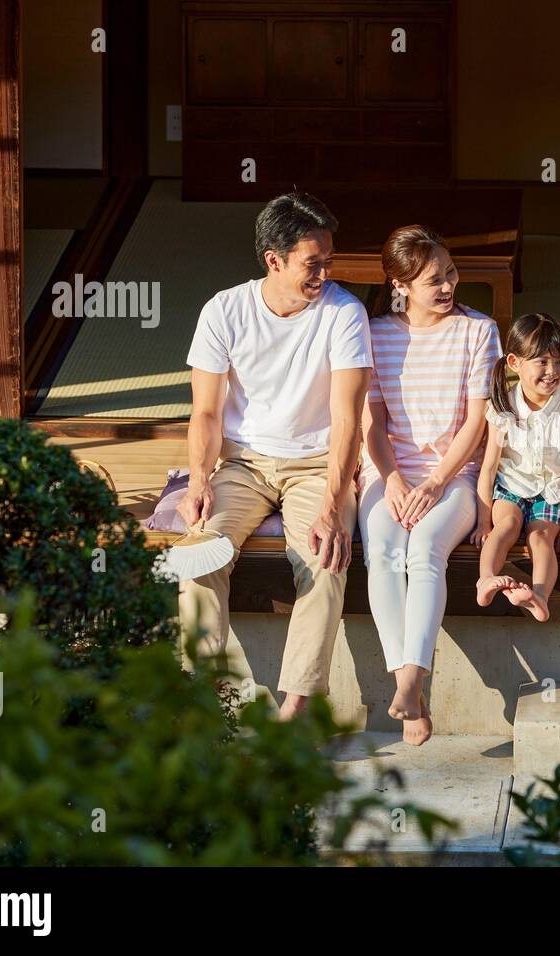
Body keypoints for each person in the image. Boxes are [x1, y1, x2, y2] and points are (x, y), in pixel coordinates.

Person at [178, 192, 371, 721]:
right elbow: (207, 414)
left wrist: (335, 499)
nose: (325, 272)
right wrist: (198, 478)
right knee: (201, 555)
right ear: (274, 260)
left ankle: (300, 706)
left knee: (325, 559)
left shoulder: (344, 313)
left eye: (329, 260)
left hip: (317, 464)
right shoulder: (224, 310)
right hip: (242, 463)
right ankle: (203, 699)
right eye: (314, 263)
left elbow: (349, 418)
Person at [359, 225, 500, 746]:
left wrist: (437, 482)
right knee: (383, 550)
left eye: (450, 274)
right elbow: (371, 422)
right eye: (431, 281)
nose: (447, 287)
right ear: (400, 285)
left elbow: (477, 422)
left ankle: (411, 679)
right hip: (388, 469)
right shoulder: (376, 333)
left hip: (455, 473)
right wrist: (393, 480)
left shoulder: (478, 331)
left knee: (424, 550)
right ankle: (410, 687)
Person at [472, 313, 560, 622]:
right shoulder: (504, 406)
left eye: (558, 361)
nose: (552, 371)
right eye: (542, 362)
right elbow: (489, 468)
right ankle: (485, 578)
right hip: (513, 486)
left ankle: (539, 595)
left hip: (554, 491)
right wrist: (482, 522)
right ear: (515, 362)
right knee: (506, 528)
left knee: (540, 538)